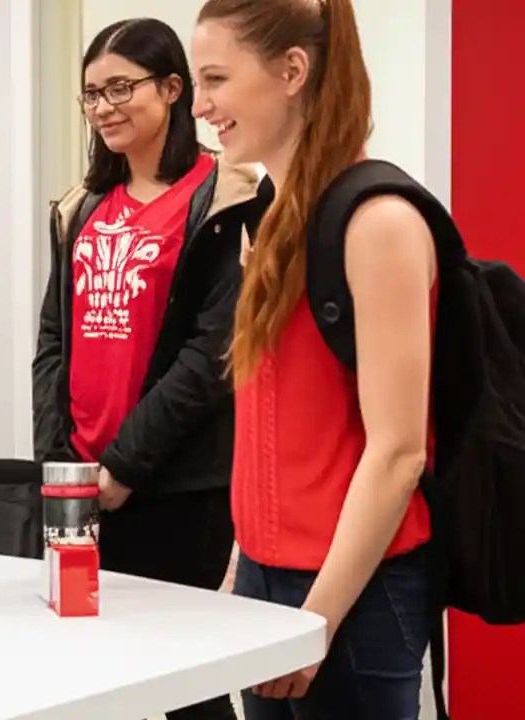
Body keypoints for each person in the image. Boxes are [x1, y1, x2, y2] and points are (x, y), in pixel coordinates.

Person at [192, 1, 434, 717]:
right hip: (270, 579)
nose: (201, 105)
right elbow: (271, 416)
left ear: (292, 71)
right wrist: (244, 563)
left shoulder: (378, 221)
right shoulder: (268, 218)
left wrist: (317, 620)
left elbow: (398, 453)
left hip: (353, 593)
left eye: (216, 79)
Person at [32, 18, 269, 720]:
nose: (103, 107)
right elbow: (55, 337)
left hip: (176, 485)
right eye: (90, 94)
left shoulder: (227, 197)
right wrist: (59, 461)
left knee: (183, 687)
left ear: (172, 88)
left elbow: (215, 351)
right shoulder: (81, 207)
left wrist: (127, 465)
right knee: (90, 675)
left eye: (120, 87)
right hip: (79, 481)